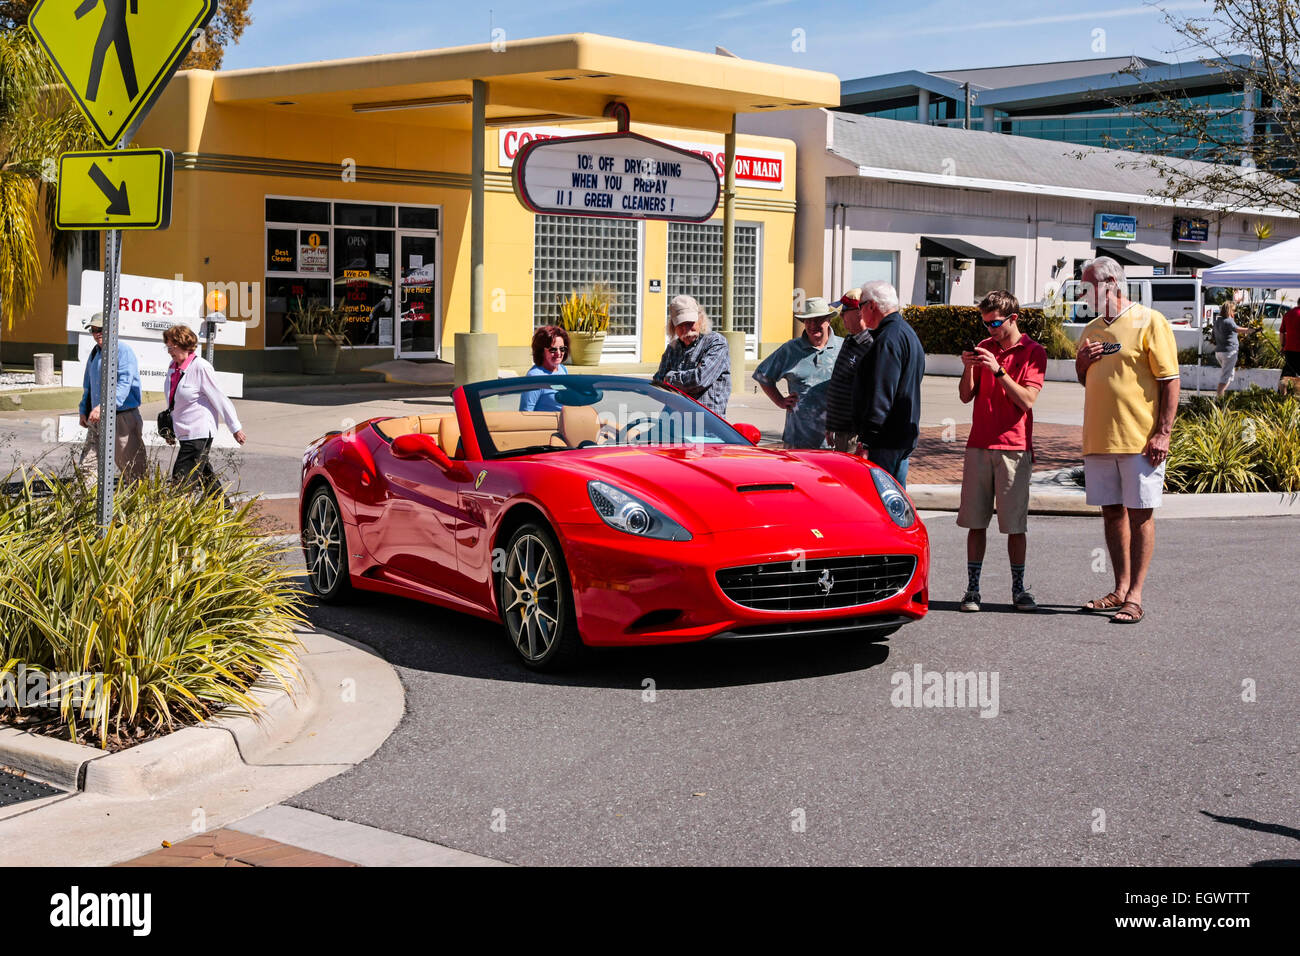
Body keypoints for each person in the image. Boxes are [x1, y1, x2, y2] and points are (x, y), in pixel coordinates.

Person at [1074, 256, 1180, 625]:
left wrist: (1163, 433)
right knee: (1111, 513)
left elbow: (1170, 381)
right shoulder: (1089, 329)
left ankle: (1135, 595)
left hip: (1139, 441)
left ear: (1111, 285)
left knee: (1140, 515)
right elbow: (1083, 379)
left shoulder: (1151, 321)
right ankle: (1118, 589)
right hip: (1099, 438)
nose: (1083, 293)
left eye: (1087, 287)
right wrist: (1082, 363)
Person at [956, 291, 1048, 613]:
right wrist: (969, 367)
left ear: (1013, 318)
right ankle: (972, 590)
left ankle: (1019, 589)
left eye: (996, 322)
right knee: (975, 521)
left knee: (1014, 525)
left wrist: (998, 370)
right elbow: (966, 396)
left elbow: (1027, 400)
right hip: (979, 445)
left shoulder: (1034, 352)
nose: (991, 329)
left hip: (1013, 448)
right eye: (986, 322)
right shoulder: (984, 348)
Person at [851, 280, 925, 485]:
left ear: (871, 306)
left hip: (885, 440)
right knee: (895, 500)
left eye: (860, 307)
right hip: (901, 436)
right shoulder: (907, 333)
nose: (859, 313)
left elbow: (881, 394)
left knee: (881, 501)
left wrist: (867, 440)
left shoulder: (887, 339)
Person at [162, 324, 246, 495]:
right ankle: (226, 510)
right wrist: (170, 430)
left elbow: (219, 397)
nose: (169, 350)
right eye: (167, 346)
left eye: (172, 346)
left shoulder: (200, 366)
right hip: (184, 431)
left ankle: (175, 514)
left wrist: (235, 428)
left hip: (198, 431)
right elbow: (175, 401)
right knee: (204, 475)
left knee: (181, 479)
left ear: (184, 344)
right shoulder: (174, 367)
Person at [753, 297, 842, 448]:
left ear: (828, 320)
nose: (813, 325)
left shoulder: (844, 347)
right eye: (808, 321)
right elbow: (763, 375)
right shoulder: (790, 350)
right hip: (797, 440)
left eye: (818, 320)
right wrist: (780, 401)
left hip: (835, 442)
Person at [77, 312, 146, 483]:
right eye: (94, 330)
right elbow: (89, 386)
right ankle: (87, 505)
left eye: (101, 329)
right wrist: (83, 410)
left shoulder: (123, 351)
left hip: (121, 418)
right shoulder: (95, 353)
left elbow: (124, 384)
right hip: (97, 419)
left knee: (133, 471)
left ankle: (138, 506)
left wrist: (104, 406)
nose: (97, 333)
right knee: (88, 467)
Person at [652, 294, 731, 417]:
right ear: (673, 327)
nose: (686, 329)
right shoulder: (672, 348)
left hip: (707, 422)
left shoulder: (715, 342)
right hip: (673, 419)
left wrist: (670, 378)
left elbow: (699, 380)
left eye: (690, 322)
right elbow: (657, 384)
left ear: (701, 319)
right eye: (680, 324)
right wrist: (684, 379)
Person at [824, 288, 873, 453]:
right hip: (841, 429)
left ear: (859, 313)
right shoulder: (850, 340)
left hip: (855, 433)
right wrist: (831, 423)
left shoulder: (872, 347)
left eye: (844, 311)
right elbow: (839, 383)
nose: (841, 316)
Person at [520, 325, 570, 412]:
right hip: (546, 425)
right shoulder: (535, 377)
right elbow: (526, 413)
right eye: (553, 350)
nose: (559, 353)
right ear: (541, 351)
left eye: (562, 349)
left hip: (565, 423)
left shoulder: (563, 369)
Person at [1212, 301, 1253, 400]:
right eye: (1233, 310)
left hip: (1219, 352)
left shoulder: (1217, 321)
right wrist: (1252, 330)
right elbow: (1238, 329)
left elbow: (1213, 335)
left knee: (1229, 375)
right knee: (1226, 376)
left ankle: (1221, 396)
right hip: (1229, 352)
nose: (1234, 313)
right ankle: (1219, 398)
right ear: (1229, 310)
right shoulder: (1229, 320)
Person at [1278, 302, 1300, 395]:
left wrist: (1282, 346)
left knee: (1286, 376)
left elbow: (1282, 332)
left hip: (1290, 350)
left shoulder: (1288, 314)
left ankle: (1282, 397)